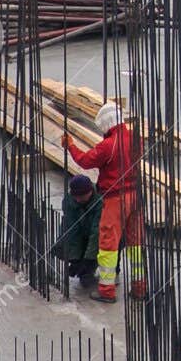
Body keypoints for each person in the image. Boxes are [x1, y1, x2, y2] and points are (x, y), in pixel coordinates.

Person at [63, 103, 144, 304]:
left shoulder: (109, 145)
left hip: (115, 198)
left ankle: (107, 290)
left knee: (108, 243)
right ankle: (140, 287)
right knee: (135, 243)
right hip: (136, 196)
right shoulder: (136, 139)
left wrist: (71, 146)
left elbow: (85, 161)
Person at [53, 175, 102, 293]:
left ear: (90, 191)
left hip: (99, 235)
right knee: (62, 246)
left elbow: (96, 233)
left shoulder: (100, 201)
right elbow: (71, 229)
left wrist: (88, 260)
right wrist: (75, 259)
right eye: (76, 197)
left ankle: (93, 268)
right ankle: (82, 266)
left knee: (104, 246)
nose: (78, 200)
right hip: (82, 233)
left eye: (82, 197)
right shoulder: (69, 200)